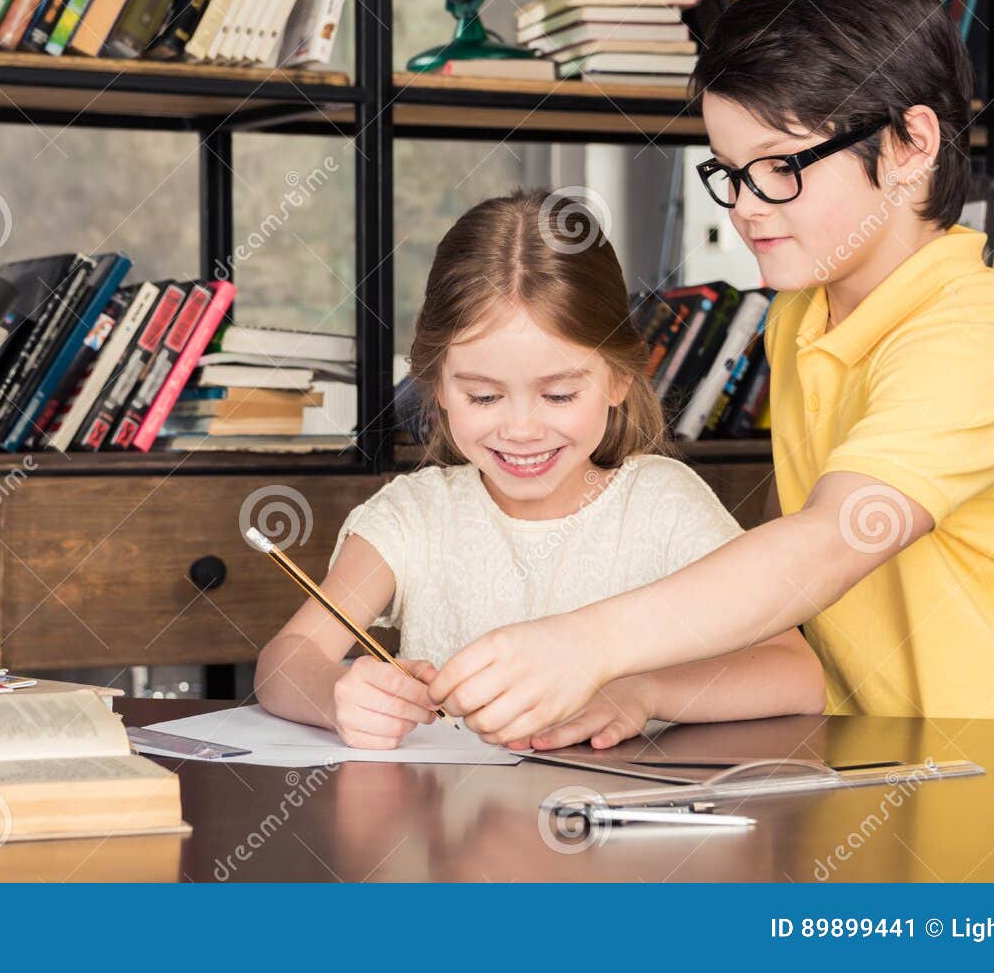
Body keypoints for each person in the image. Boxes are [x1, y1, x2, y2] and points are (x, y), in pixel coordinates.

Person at [428, 0, 994, 743]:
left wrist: (586, 643)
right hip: (895, 768)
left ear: (911, 144)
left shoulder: (965, 339)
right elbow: (791, 583)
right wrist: (645, 691)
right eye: (729, 172)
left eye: (780, 167)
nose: (743, 208)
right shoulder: (802, 315)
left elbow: (823, 545)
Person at [254, 188, 824, 750]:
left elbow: (794, 674)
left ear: (620, 378)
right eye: (483, 397)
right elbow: (286, 660)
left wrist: (643, 693)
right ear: (438, 388)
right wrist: (336, 696)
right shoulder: (415, 515)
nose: (521, 430)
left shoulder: (662, 505)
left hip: (621, 832)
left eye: (558, 396)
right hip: (453, 831)